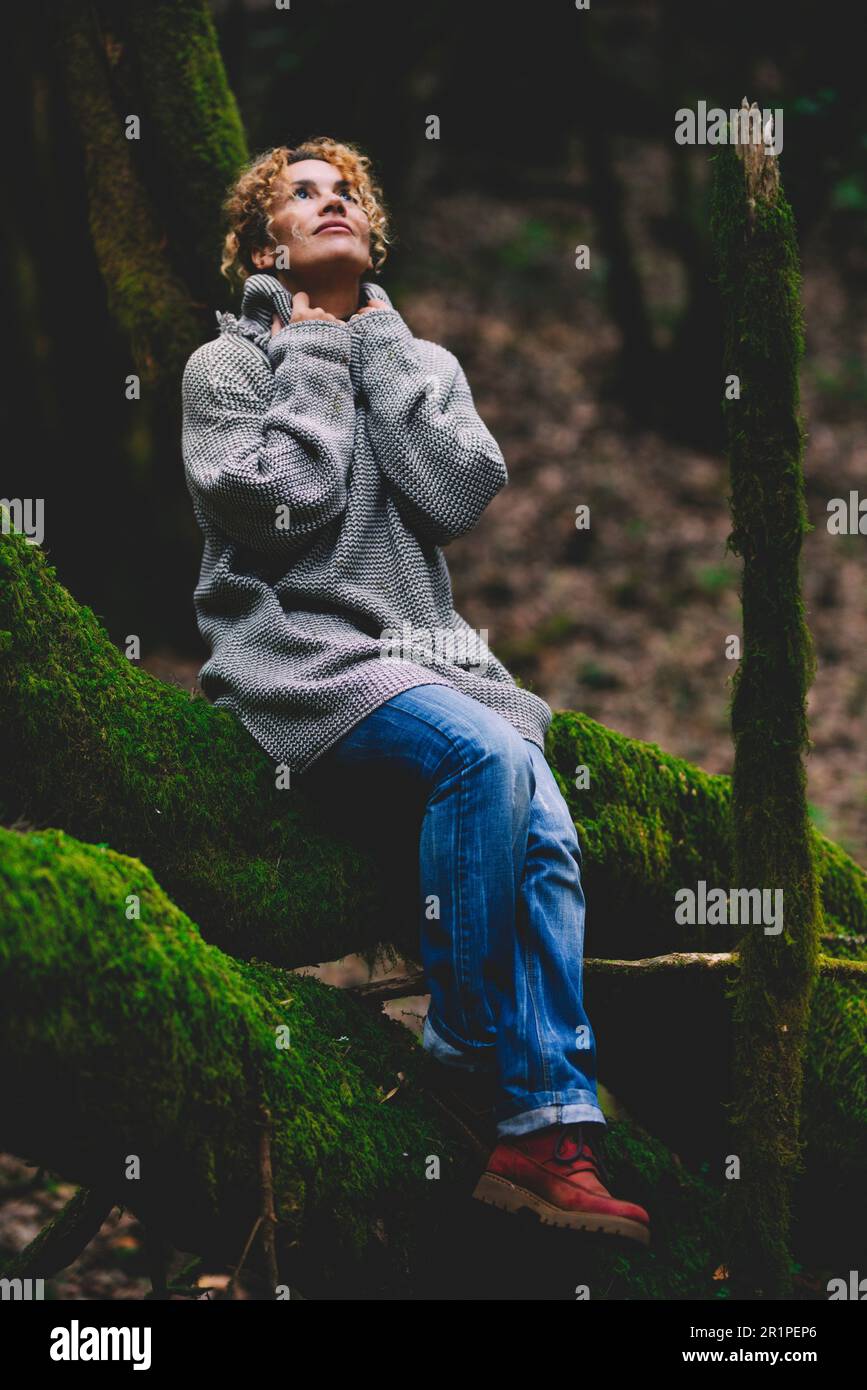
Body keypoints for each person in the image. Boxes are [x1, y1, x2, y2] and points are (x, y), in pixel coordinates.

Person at [181, 137, 650, 1246]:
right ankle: (469, 1055)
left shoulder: (417, 357)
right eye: (302, 195)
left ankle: (541, 1132)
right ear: (261, 245)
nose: (332, 199)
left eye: (346, 191)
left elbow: (455, 487)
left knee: (539, 810)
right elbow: (286, 504)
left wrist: (368, 343)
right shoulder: (226, 370)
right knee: (485, 759)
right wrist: (308, 352)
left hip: (430, 659)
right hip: (298, 657)